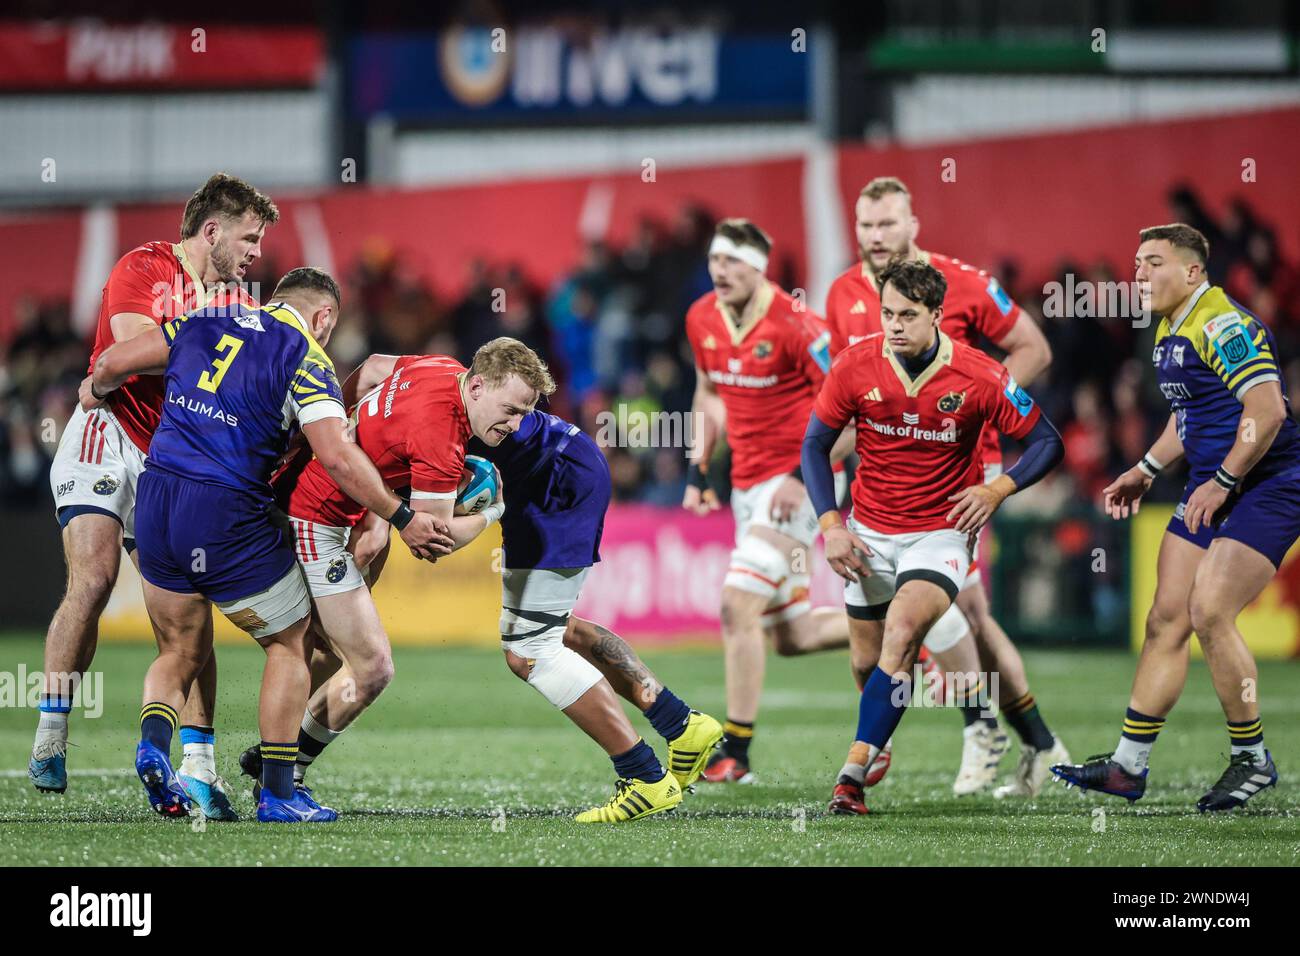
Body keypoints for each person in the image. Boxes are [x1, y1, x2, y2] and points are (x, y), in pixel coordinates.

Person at [82, 267, 450, 823]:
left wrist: (94, 389)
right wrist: (398, 514)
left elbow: (110, 363)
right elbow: (337, 457)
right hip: (224, 510)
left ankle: (154, 746)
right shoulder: (306, 356)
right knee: (291, 641)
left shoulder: (205, 318)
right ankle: (279, 792)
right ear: (324, 317)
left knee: (179, 651)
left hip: (156, 497)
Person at [30, 174, 276, 818]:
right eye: (249, 239)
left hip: (165, 459)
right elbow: (133, 346)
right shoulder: (148, 265)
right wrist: (222, 344)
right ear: (212, 230)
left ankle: (198, 767)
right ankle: (52, 734)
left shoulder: (230, 300)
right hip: (105, 432)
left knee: (189, 615)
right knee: (95, 580)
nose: (255, 253)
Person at [824, 176, 1067, 796]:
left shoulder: (964, 282)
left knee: (964, 616)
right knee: (957, 621)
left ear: (914, 226)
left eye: (887, 224)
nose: (875, 237)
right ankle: (1031, 739)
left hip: (961, 478)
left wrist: (964, 411)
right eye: (865, 225)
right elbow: (851, 398)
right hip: (880, 479)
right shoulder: (842, 292)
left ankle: (988, 729)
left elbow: (1032, 348)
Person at [1052, 223, 1296, 811]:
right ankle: (1128, 767)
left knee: (1209, 610)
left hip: (1267, 485)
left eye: (1153, 263)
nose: (1139, 275)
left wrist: (1224, 480)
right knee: (1165, 619)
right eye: (1136, 263)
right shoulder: (1169, 327)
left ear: (1192, 271)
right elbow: (1189, 416)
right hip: (1212, 483)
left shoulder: (1221, 322)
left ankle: (1251, 758)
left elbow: (1266, 413)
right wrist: (1146, 467)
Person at [683, 218, 849, 785]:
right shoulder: (701, 317)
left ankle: (737, 753)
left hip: (800, 486)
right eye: (714, 260)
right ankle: (897, 620)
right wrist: (699, 467)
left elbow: (851, 410)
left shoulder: (800, 327)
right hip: (747, 488)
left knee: (736, 606)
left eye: (732, 261)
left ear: (760, 267)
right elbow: (706, 391)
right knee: (792, 637)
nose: (719, 271)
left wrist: (805, 477)